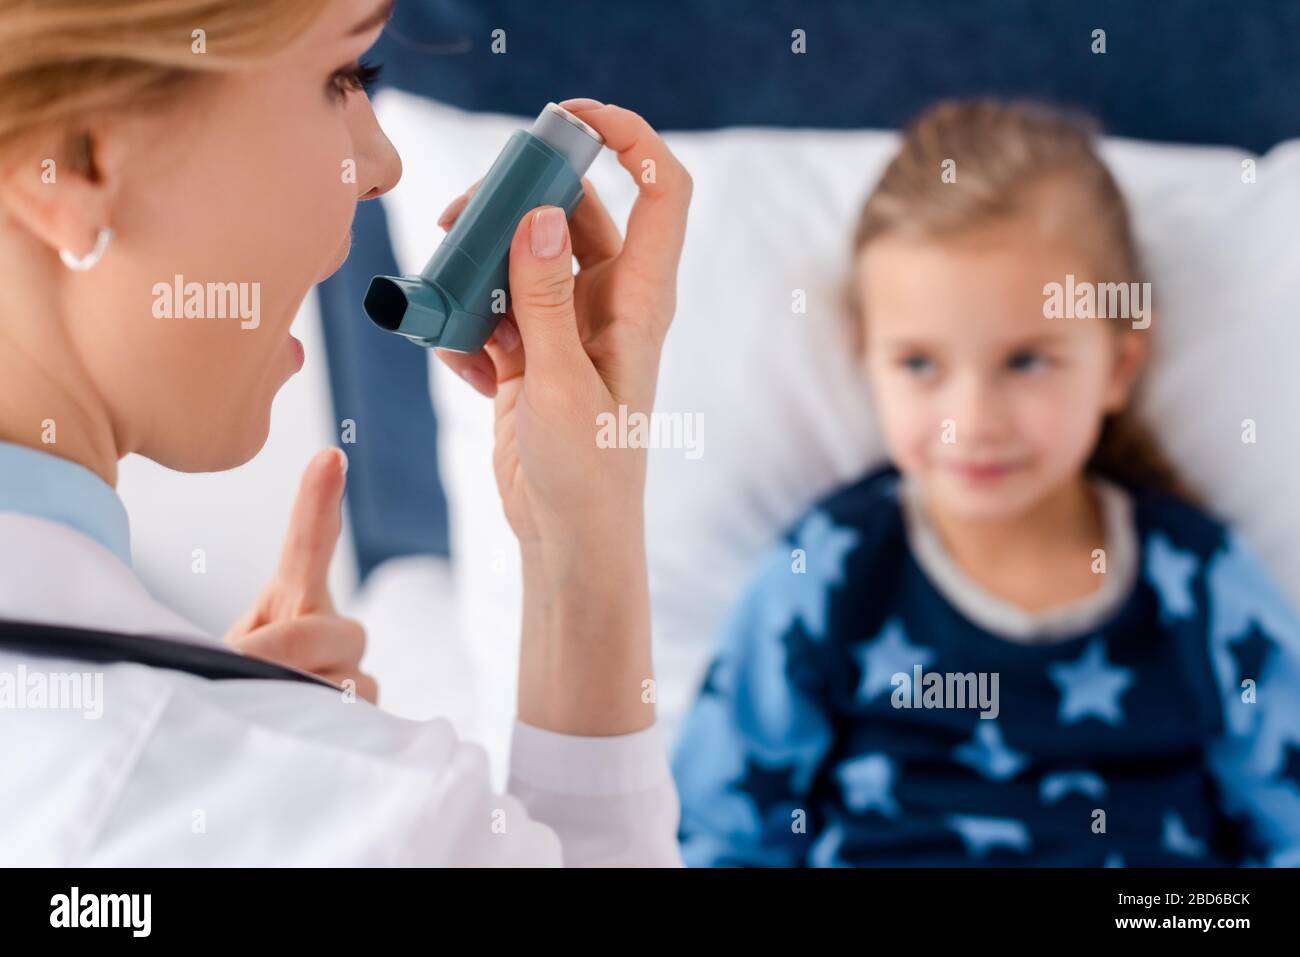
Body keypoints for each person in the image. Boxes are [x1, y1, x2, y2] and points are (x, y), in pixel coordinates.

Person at [0, 0, 691, 865]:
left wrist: (210, 713)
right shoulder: (365, 822)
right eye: (343, 77)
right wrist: (584, 552)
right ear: (75, 161)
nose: (383, 164)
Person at [672, 100, 1300, 867]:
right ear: (865, 358)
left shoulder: (1200, 586)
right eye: (920, 365)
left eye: (1027, 361)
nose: (971, 420)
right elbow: (717, 830)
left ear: (1119, 365)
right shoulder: (832, 568)